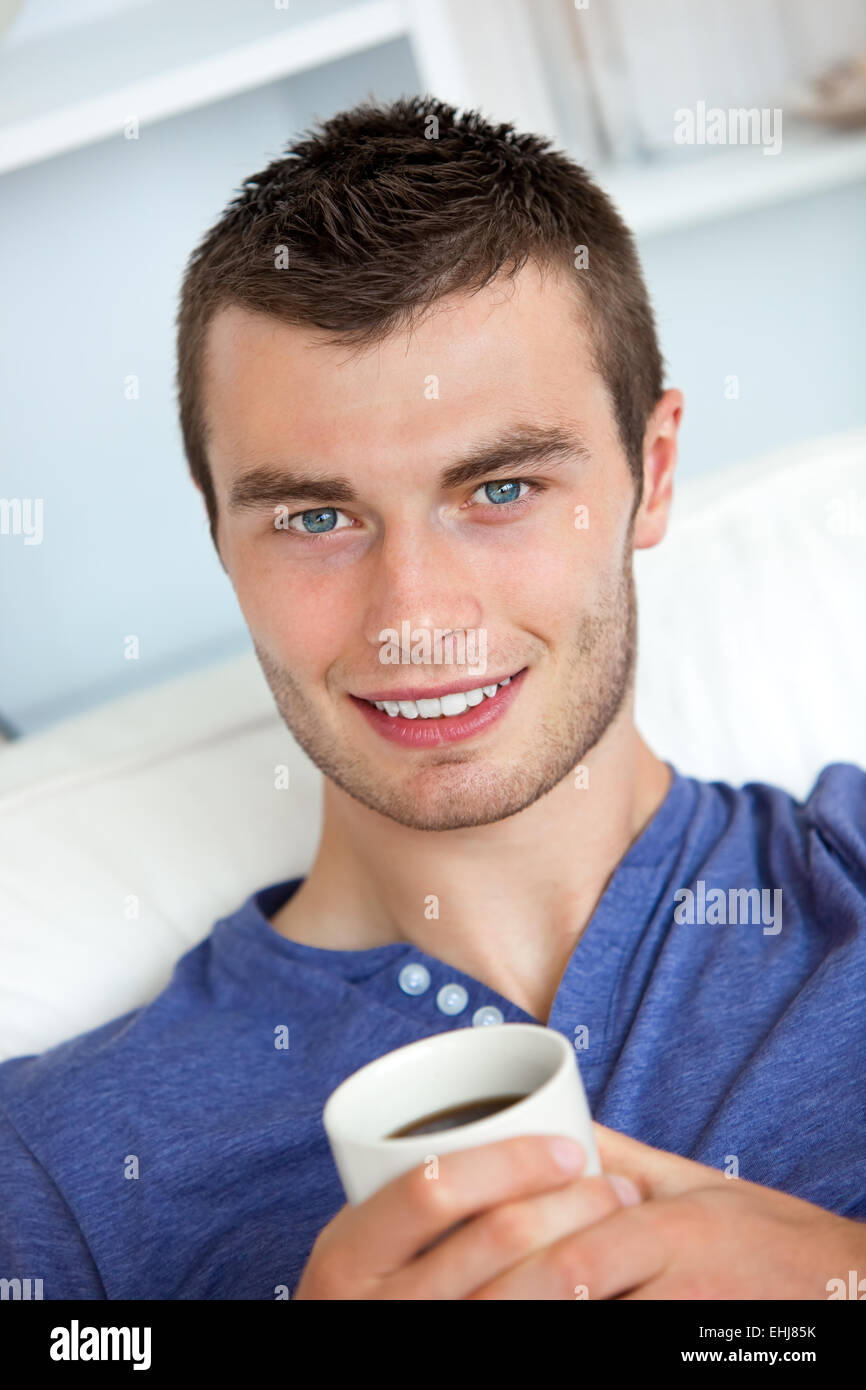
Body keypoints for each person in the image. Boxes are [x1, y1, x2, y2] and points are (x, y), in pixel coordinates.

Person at [1, 97, 863, 1302]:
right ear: (220, 541)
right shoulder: (52, 1172)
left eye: (500, 488)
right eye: (313, 517)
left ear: (651, 474)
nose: (411, 612)